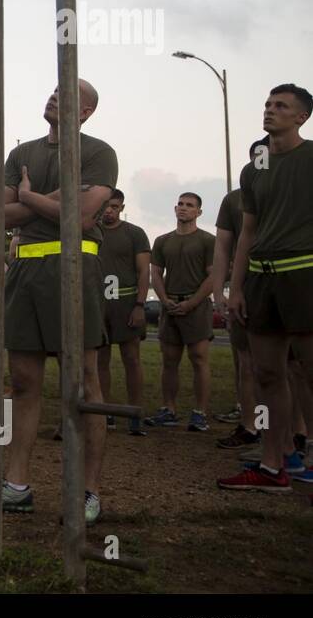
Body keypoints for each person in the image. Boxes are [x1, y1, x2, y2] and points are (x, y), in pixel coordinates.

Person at [0, 81, 117, 524]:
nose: (54, 96)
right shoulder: (21, 154)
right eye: (52, 90)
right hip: (26, 271)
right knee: (24, 380)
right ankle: (16, 486)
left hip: (73, 268)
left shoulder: (98, 151)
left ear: (86, 111)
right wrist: (50, 201)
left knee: (84, 381)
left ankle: (88, 491)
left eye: (67, 94)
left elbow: (83, 214)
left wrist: (28, 197)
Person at [219, 84, 313, 494]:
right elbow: (246, 233)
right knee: (267, 373)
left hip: (304, 273)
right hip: (260, 277)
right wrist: (235, 287)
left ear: (301, 117)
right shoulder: (253, 167)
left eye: (281, 106)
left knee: (309, 373)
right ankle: (273, 465)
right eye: (267, 104)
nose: (270, 111)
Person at [146, 194, 216, 431]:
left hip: (195, 306)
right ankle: (168, 409)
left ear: (199, 212)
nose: (184, 209)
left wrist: (193, 302)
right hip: (170, 306)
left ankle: (200, 414)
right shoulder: (163, 241)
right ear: (175, 208)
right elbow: (155, 273)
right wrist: (164, 300)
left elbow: (213, 275)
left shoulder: (207, 240)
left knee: (199, 359)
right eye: (181, 204)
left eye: (190, 206)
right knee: (169, 360)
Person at [95, 189, 150, 436]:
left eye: (115, 206)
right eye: (106, 206)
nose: (109, 210)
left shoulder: (134, 233)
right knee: (100, 361)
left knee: (131, 358)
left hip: (126, 301)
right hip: (97, 303)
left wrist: (139, 305)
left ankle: (135, 411)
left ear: (121, 207)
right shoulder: (90, 230)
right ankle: (105, 412)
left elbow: (144, 271)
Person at [212, 169, 260, 450]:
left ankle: (294, 435)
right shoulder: (235, 201)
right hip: (246, 287)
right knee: (247, 364)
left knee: (289, 367)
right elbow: (224, 247)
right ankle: (252, 425)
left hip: (285, 282)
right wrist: (222, 292)